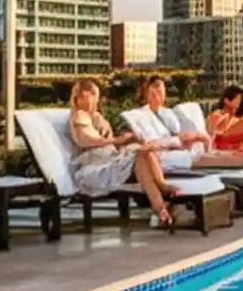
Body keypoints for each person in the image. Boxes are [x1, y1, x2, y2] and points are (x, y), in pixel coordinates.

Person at [69, 79, 178, 226]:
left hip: (109, 158)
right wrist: (117, 141)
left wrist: (121, 141)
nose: (96, 101)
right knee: (141, 152)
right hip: (95, 165)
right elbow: (87, 141)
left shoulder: (94, 117)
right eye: (94, 96)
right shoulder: (79, 116)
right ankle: (162, 188)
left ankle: (160, 209)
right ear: (84, 95)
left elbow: (106, 139)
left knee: (144, 153)